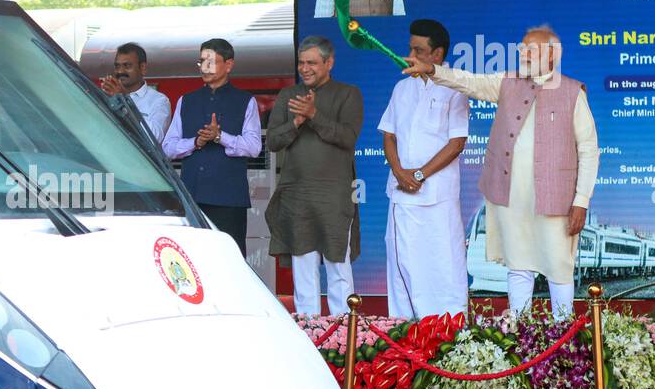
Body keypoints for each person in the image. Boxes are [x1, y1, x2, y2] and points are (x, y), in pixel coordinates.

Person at [401, 25, 600, 316]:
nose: (522, 52)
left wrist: (581, 201)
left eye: (531, 48)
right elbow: (469, 81)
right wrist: (432, 70)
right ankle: (520, 331)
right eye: (522, 46)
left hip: (555, 200)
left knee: (558, 267)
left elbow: (589, 150)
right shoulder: (507, 82)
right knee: (519, 265)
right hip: (510, 196)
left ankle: (562, 336)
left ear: (551, 56)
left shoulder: (572, 92)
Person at [265, 36, 362, 316]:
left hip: (334, 196)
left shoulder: (348, 93)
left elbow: (347, 137)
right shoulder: (287, 96)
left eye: (312, 63)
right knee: (303, 268)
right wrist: (296, 121)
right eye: (301, 62)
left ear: (329, 63)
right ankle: (309, 333)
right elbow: (273, 141)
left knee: (338, 267)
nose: (304, 68)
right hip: (297, 195)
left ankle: (343, 335)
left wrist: (314, 114)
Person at [378, 20, 470, 318]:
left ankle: (451, 334)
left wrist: (419, 174)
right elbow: (389, 135)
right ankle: (405, 332)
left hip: (437, 196)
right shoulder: (401, 87)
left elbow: (456, 143)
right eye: (410, 48)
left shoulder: (454, 89)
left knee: (444, 265)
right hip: (402, 195)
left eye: (418, 50)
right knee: (404, 265)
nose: (410, 55)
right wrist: (400, 171)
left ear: (437, 54)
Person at [162, 38, 262, 252]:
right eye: (201, 62)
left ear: (229, 65)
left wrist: (220, 137)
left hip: (228, 198)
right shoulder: (186, 100)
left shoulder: (245, 101)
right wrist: (196, 142)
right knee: (193, 258)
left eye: (212, 62)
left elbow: (254, 147)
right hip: (192, 196)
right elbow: (167, 148)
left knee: (229, 258)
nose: (205, 68)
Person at [99, 42, 171, 143]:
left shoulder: (159, 101)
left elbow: (154, 138)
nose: (120, 71)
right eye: (117, 66)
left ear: (143, 68)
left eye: (127, 66)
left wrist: (123, 101)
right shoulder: (107, 96)